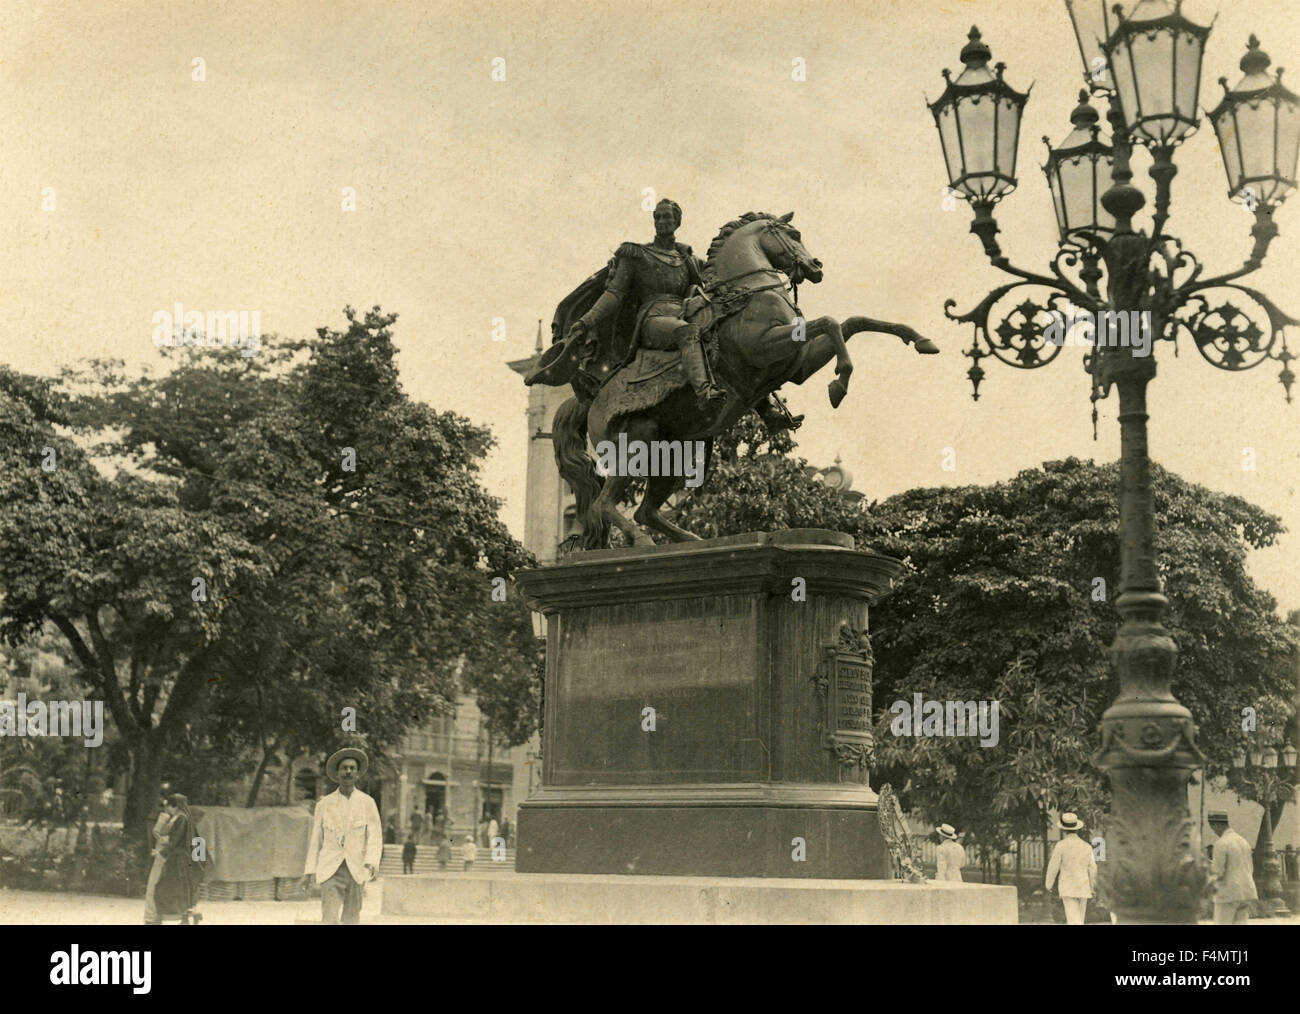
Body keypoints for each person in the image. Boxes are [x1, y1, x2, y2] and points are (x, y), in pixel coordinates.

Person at [302, 747, 382, 925]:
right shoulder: (324, 804)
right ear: (337, 774)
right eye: (344, 768)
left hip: (356, 867)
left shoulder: (367, 803)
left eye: (352, 768)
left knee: (352, 919)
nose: (348, 771)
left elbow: (375, 836)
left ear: (357, 774)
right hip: (331, 867)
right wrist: (309, 871)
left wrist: (371, 862)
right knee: (329, 918)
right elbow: (316, 840)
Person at [148, 793, 206, 924]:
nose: (166, 808)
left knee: (164, 888)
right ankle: (185, 917)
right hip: (177, 858)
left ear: (173, 806)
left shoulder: (181, 819)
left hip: (178, 859)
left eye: (168, 805)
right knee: (176, 889)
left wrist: (160, 853)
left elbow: (175, 841)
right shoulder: (180, 818)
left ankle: (163, 918)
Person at [1045, 812, 1096, 925]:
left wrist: (1048, 884)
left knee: (1073, 920)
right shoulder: (1087, 846)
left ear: (1063, 830)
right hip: (1083, 886)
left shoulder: (1061, 845)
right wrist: (1092, 886)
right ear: (1077, 829)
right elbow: (1093, 868)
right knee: (1079, 919)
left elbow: (1053, 866)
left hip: (1067, 886)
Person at [1207, 811, 1256, 925]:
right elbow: (1250, 868)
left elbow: (1218, 873)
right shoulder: (1243, 841)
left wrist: (1208, 867)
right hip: (1246, 892)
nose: (1214, 831)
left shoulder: (1221, 843)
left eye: (1213, 828)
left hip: (1227, 893)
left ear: (1217, 825)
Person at [142, 794, 173, 924]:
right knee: (155, 887)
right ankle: (154, 917)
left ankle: (154, 917)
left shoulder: (173, 819)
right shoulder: (166, 818)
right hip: (163, 857)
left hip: (163, 857)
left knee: (155, 887)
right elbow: (156, 833)